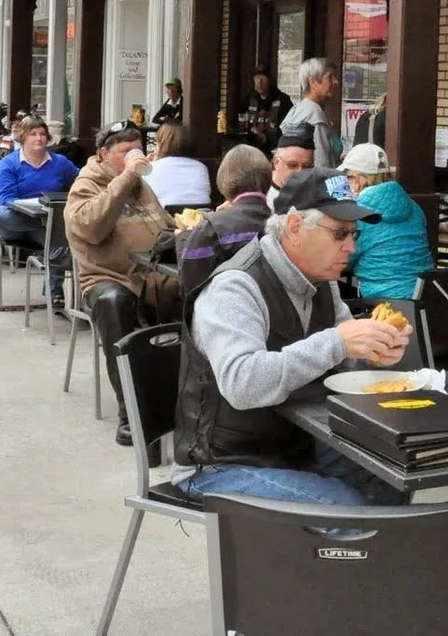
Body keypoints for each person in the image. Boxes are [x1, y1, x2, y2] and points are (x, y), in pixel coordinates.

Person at [172, 167, 411, 505]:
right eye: (340, 233)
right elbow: (242, 384)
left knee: (394, 477)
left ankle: (374, 557)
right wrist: (338, 342)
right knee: (349, 510)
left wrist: (373, 351)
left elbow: (341, 361)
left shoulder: (322, 282)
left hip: (294, 443)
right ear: (296, 226)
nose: (351, 247)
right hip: (221, 462)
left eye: (354, 234)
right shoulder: (235, 287)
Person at [65, 121, 181, 445]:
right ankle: (131, 411)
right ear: (103, 154)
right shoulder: (86, 184)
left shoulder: (142, 187)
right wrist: (128, 175)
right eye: (124, 151)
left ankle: (193, 400)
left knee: (206, 292)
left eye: (137, 149)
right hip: (107, 279)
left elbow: (164, 224)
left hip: (154, 277)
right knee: (113, 303)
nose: (134, 156)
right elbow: (91, 227)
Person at [0, 116, 80, 308]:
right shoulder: (8, 165)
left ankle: (53, 291)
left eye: (42, 134)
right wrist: (37, 215)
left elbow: (81, 181)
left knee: (58, 236)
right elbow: (5, 199)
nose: (39, 138)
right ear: (23, 138)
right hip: (18, 223)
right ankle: (53, 282)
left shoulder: (60, 162)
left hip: (48, 222)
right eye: (33, 134)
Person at [176, 144, 274, 302]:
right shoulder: (282, 223)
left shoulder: (211, 228)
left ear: (224, 183)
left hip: (222, 312)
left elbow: (190, 286)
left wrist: (182, 238)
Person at [340, 143, 433, 299]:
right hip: (425, 294)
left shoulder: (357, 213)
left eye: (346, 178)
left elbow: (342, 260)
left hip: (383, 305)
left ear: (357, 180)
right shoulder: (414, 207)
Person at [280, 57, 341, 167]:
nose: (336, 81)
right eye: (330, 77)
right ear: (313, 81)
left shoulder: (298, 109)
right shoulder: (315, 116)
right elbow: (321, 165)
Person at [143, 119, 211, 207]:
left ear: (161, 144)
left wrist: (146, 165)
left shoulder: (151, 168)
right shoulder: (201, 168)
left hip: (164, 217)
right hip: (199, 217)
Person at [240, 67, 292, 151]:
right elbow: (237, 119)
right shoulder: (250, 98)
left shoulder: (283, 100)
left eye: (263, 79)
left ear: (270, 81)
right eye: (257, 79)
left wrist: (266, 137)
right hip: (252, 147)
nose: (259, 83)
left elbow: (288, 128)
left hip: (275, 148)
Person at [266, 133, 315, 211]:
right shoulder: (261, 194)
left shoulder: (314, 192)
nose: (300, 171)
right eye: (292, 165)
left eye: (306, 166)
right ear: (276, 162)